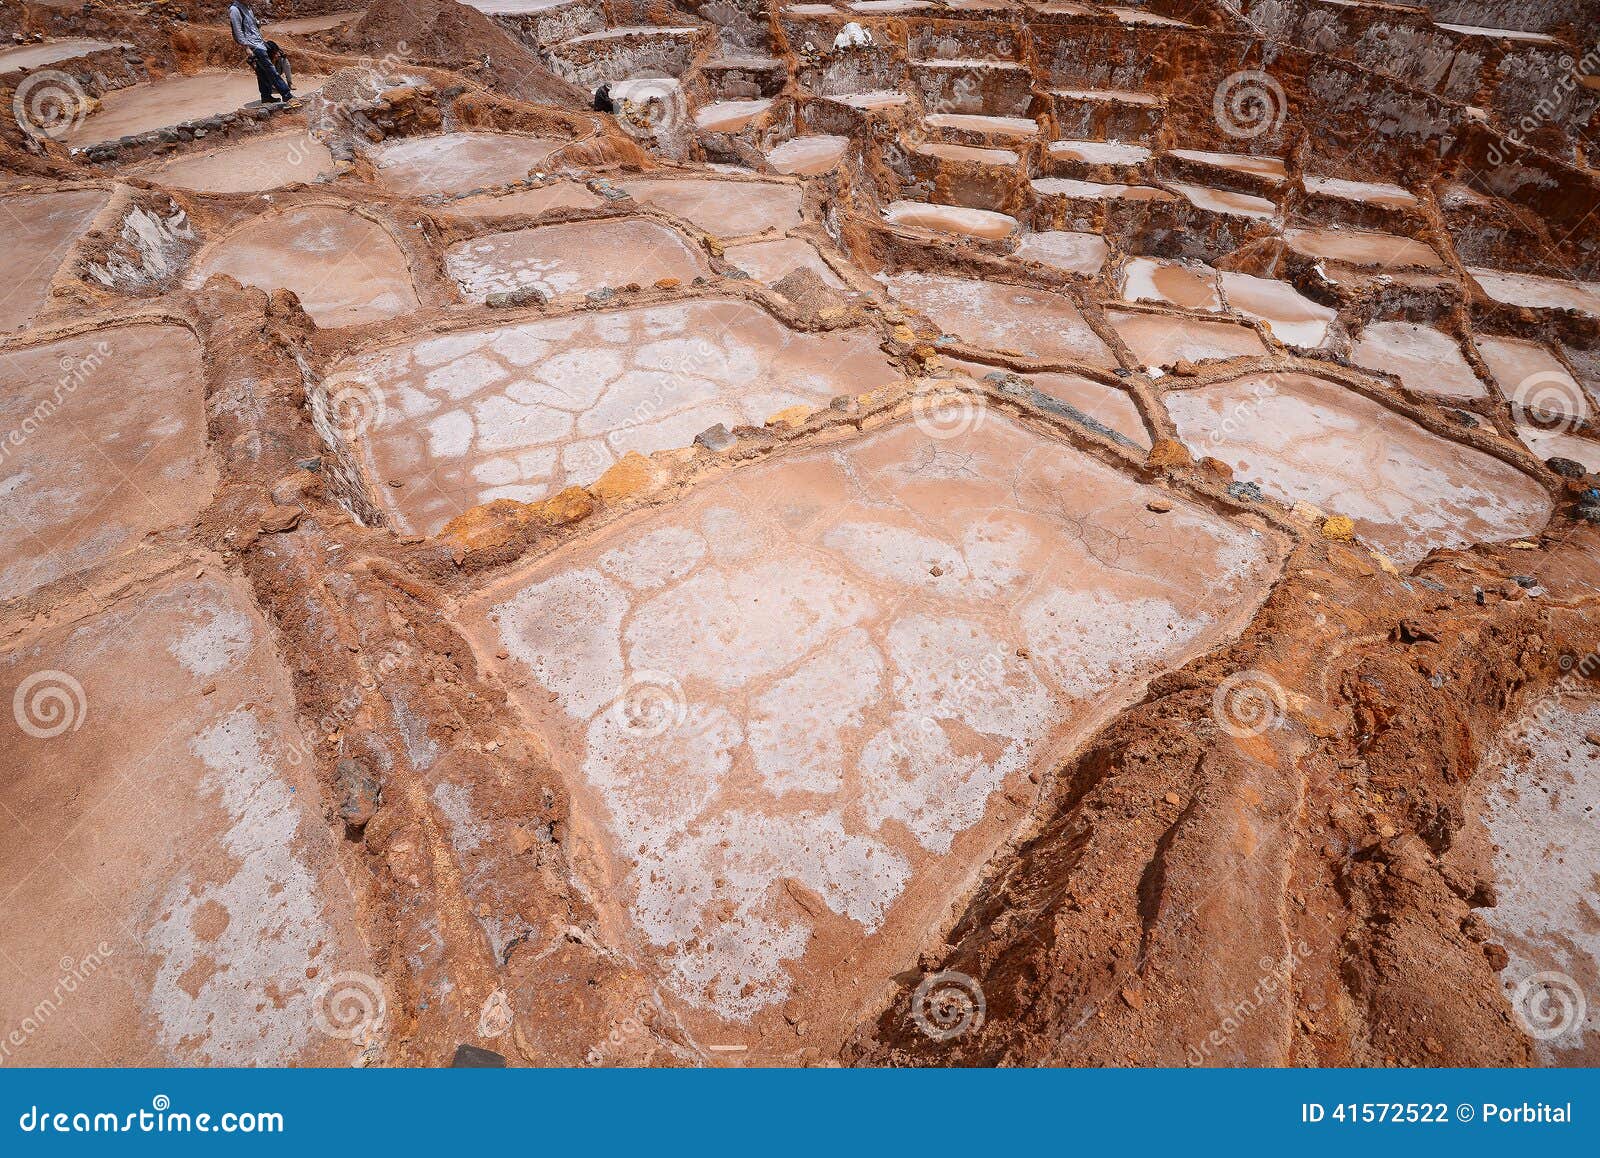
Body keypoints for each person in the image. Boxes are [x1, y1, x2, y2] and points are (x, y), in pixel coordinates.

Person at [228, 0, 294, 105]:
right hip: (252, 45)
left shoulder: (248, 7)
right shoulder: (235, 10)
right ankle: (287, 95)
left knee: (262, 72)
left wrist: (257, 24)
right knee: (271, 70)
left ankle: (266, 96)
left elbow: (252, 26)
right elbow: (238, 31)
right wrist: (246, 47)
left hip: (259, 43)